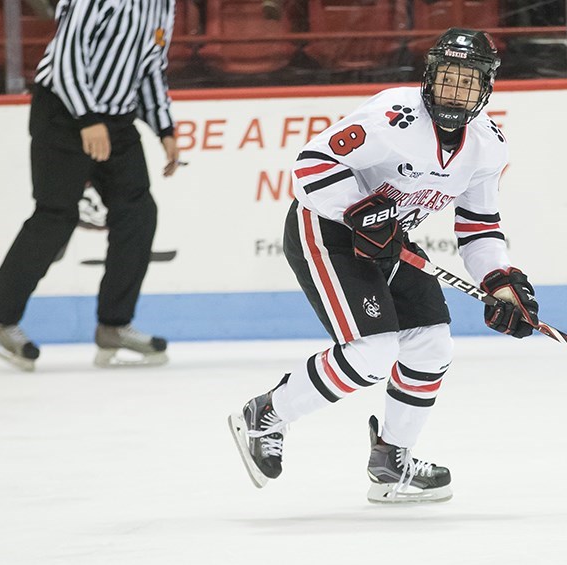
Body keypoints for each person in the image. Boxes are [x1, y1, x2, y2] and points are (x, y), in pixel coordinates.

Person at [228, 28, 540, 503]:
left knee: (431, 345)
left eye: (468, 81)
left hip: (389, 238)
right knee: (373, 353)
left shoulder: (488, 146)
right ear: (429, 77)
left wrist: (499, 279)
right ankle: (267, 413)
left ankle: (390, 461)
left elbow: (478, 226)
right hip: (328, 228)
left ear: (486, 89)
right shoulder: (391, 115)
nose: (455, 91)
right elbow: (310, 167)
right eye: (448, 77)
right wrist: (357, 210)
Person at [0, 0, 181, 371]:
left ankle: (114, 324)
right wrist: (87, 118)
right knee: (56, 215)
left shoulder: (164, 5)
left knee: (139, 212)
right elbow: (67, 55)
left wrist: (165, 128)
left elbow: (151, 67)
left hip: (116, 119)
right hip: (64, 112)